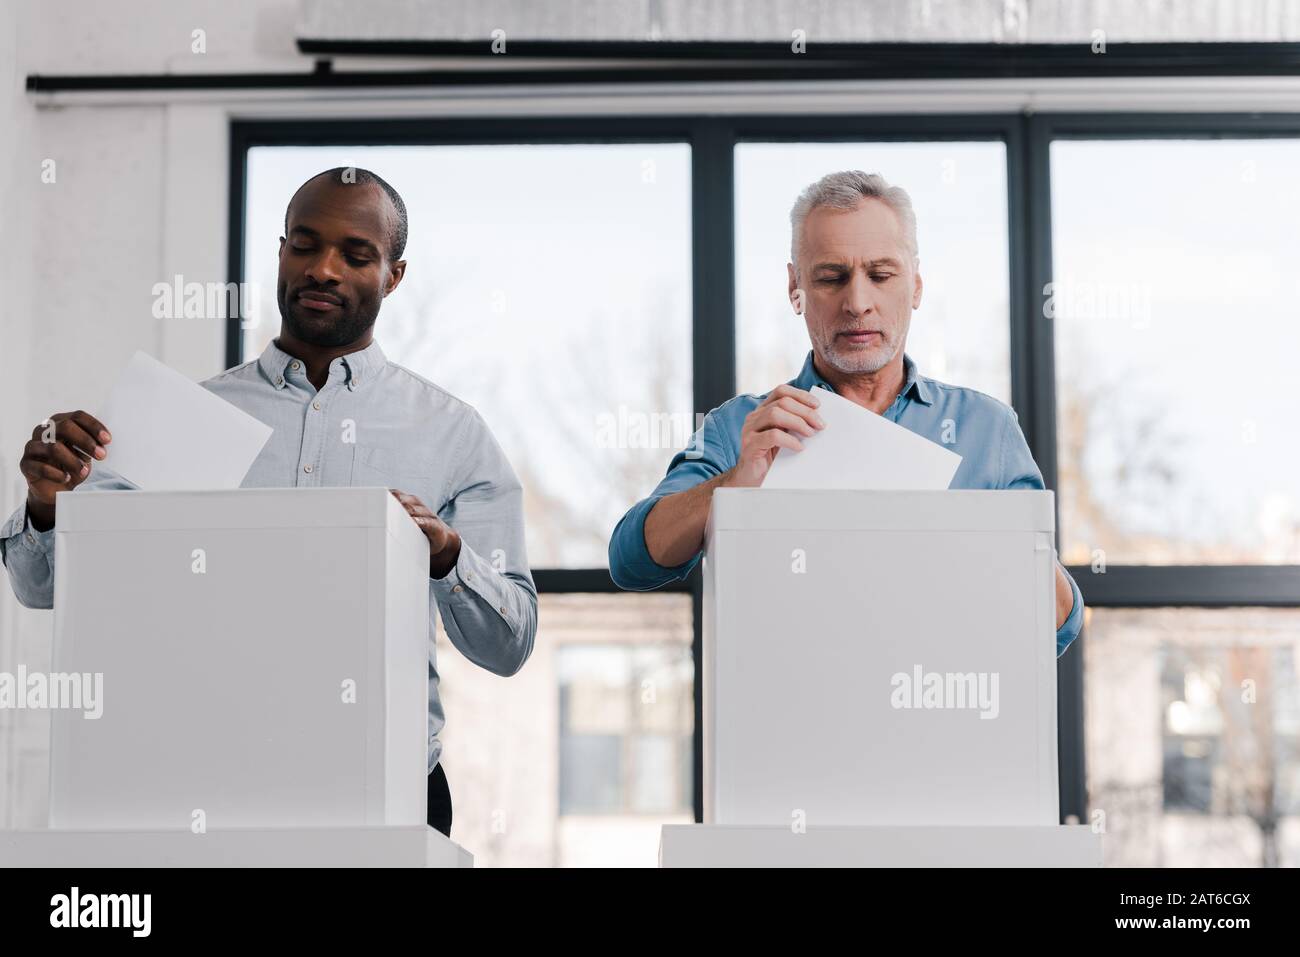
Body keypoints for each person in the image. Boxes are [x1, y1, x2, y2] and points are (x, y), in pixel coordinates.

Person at [0, 167, 538, 836]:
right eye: (305, 245)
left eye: (356, 254)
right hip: (206, 782)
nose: (324, 269)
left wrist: (447, 555)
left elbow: (511, 643)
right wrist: (48, 505)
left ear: (394, 275)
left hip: (391, 791)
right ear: (281, 251)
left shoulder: (452, 432)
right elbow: (43, 587)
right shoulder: (179, 419)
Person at [609, 169, 1083, 656]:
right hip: (789, 717)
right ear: (796, 288)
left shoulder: (987, 428)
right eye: (831, 278)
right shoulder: (745, 429)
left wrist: (995, 544)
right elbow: (631, 559)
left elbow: (1060, 625)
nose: (858, 303)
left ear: (915, 286)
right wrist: (735, 485)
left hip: (943, 711)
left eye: (880, 276)